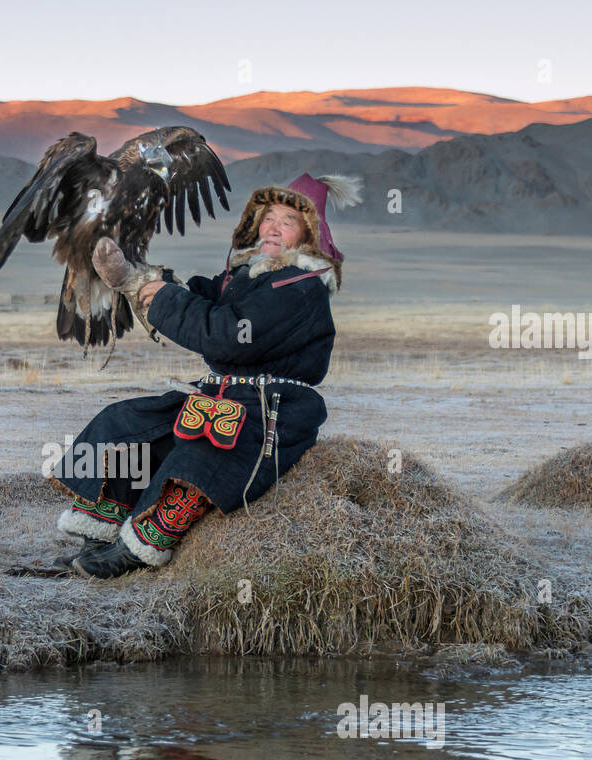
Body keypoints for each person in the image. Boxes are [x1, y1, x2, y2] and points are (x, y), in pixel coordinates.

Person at [48, 172, 362, 579]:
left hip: (268, 411)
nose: (273, 227)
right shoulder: (251, 276)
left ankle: (139, 548)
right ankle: (100, 536)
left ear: (308, 235)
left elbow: (227, 336)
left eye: (288, 220)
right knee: (126, 426)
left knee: (203, 456)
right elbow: (197, 297)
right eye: (268, 216)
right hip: (220, 398)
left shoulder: (301, 287)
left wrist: (158, 295)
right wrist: (138, 278)